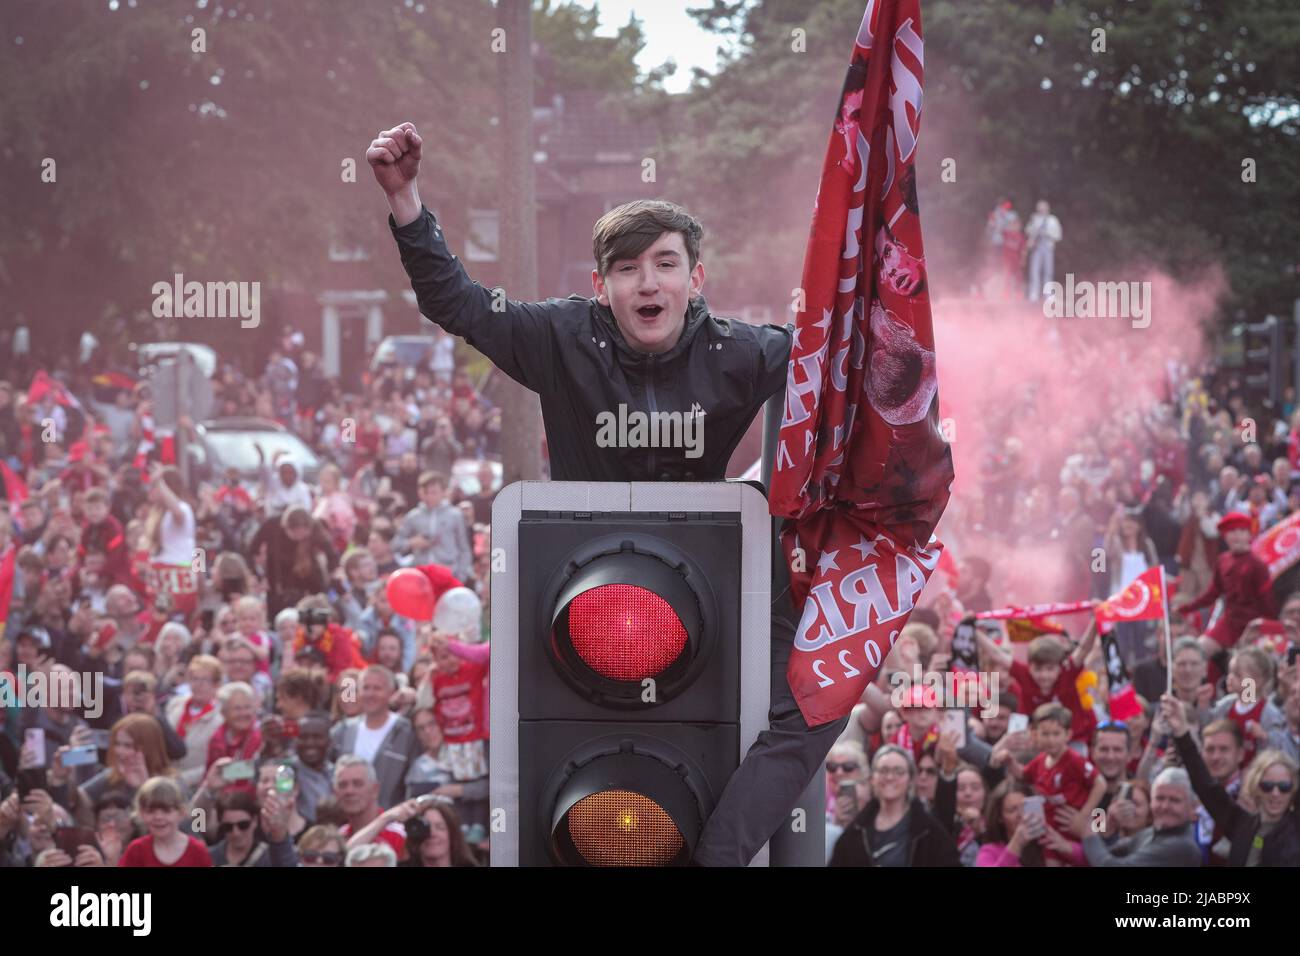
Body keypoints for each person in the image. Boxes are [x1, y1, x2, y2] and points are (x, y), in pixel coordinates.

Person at [1163, 694, 1300, 865]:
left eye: (1284, 787)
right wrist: (1182, 732)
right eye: (1267, 786)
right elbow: (1206, 788)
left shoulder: (1295, 829)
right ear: (1256, 787)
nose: (1275, 793)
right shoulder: (1242, 825)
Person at [828, 744, 960, 867]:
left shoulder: (927, 828)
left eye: (898, 771)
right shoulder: (857, 829)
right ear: (872, 779)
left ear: (910, 779)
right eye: (883, 771)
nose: (890, 777)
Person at [329, 665, 416, 809]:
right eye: (366, 688)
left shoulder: (406, 732)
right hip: (348, 822)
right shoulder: (343, 731)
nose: (370, 694)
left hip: (390, 821)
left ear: (391, 693)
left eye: (377, 688)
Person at [1080, 767, 1202, 867]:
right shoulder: (1150, 833)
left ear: (1192, 807)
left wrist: (1088, 831)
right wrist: (1106, 829)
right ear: (1152, 803)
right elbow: (1101, 855)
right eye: (1159, 798)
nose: (1165, 806)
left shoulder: (1182, 846)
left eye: (1175, 800)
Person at [118, 776, 212, 867]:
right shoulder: (136, 850)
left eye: (166, 811)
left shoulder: (197, 851)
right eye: (151, 811)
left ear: (181, 812)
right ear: (141, 813)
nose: (158, 817)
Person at [1024, 199, 1062, 302]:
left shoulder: (1053, 220)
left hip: (1048, 247)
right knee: (1034, 271)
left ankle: (1048, 294)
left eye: (1043, 208)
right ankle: (1034, 293)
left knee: (1048, 271)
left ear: (1047, 208)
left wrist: (1048, 233)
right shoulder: (1035, 219)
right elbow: (1027, 231)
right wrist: (1033, 225)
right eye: (1040, 208)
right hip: (1036, 248)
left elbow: (1058, 236)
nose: (1041, 210)